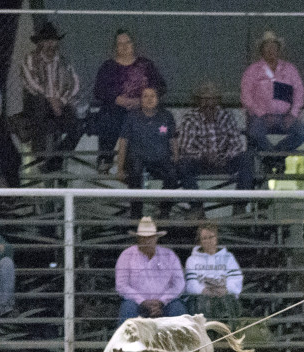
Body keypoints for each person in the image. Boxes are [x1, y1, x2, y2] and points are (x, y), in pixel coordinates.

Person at [93, 29, 167, 173]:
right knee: (109, 120)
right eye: (120, 44)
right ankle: (106, 158)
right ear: (115, 47)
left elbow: (161, 87)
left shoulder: (146, 65)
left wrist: (143, 100)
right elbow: (99, 91)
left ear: (134, 44)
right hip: (115, 111)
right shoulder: (108, 67)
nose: (124, 46)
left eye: (127, 42)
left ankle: (153, 160)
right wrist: (116, 99)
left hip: (142, 110)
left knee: (157, 123)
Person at [176, 81, 257, 213]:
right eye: (205, 100)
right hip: (200, 163)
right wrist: (203, 156)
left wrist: (224, 156)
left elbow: (236, 144)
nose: (209, 104)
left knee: (246, 158)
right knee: (183, 164)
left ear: (218, 101)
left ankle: (240, 205)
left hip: (224, 161)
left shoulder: (226, 116)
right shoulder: (190, 118)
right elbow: (185, 147)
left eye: (212, 100)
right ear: (199, 102)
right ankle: (196, 206)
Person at [241, 31, 304, 175]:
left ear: (278, 49)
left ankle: (272, 157)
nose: (271, 49)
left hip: (286, 116)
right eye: (267, 46)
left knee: (302, 132)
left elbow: (299, 92)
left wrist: (293, 114)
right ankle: (276, 160)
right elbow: (246, 96)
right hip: (261, 117)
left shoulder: (290, 69)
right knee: (254, 132)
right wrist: (262, 114)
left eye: (274, 46)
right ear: (262, 49)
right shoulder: (252, 70)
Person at [19, 21, 82, 173]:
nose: (50, 44)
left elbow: (75, 84)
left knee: (78, 126)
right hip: (38, 103)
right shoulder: (30, 59)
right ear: (40, 43)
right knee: (41, 106)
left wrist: (61, 100)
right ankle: (41, 157)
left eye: (53, 40)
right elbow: (30, 83)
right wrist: (50, 99)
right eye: (46, 41)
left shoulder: (64, 62)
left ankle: (54, 161)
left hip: (60, 104)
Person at [116, 87, 177, 219]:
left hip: (160, 159)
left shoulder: (167, 116)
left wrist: (176, 157)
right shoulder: (131, 117)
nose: (149, 99)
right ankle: (136, 213)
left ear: (158, 99)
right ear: (140, 100)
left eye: (152, 96)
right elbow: (123, 142)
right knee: (135, 173)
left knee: (173, 174)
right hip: (137, 158)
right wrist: (119, 168)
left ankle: (164, 211)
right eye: (145, 96)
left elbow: (173, 139)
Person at [115, 216, 186, 324]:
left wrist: (162, 301)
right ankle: (129, 341)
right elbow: (121, 285)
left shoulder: (169, 255)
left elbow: (179, 283)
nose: (147, 240)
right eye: (143, 237)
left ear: (156, 238)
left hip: (165, 304)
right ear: (138, 238)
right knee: (128, 308)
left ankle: (182, 340)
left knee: (178, 309)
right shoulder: (126, 255)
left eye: (150, 237)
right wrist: (142, 301)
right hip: (137, 304)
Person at [184, 222, 243, 321]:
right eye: (204, 238)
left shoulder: (228, 257)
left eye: (211, 237)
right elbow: (191, 284)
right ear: (200, 241)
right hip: (201, 298)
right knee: (204, 303)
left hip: (224, 295)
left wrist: (226, 289)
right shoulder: (192, 260)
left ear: (216, 238)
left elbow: (236, 279)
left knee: (227, 302)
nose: (208, 241)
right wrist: (203, 290)